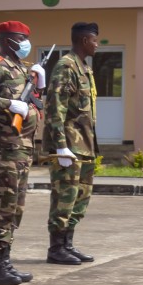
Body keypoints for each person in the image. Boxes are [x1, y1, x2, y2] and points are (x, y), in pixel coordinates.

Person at [0, 19, 46, 284]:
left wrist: (39, 88)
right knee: (3, 205)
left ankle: (5, 260)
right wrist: (10, 104)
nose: (25, 44)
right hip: (3, 148)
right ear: (7, 41)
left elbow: (34, 104)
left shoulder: (21, 69)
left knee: (16, 206)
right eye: (20, 39)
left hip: (22, 148)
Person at [43, 22, 100, 265]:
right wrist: (60, 145)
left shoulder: (84, 67)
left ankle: (68, 243)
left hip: (84, 144)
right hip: (69, 145)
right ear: (85, 40)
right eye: (95, 40)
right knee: (64, 196)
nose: (97, 45)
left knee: (80, 196)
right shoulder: (66, 66)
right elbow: (56, 106)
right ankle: (56, 248)